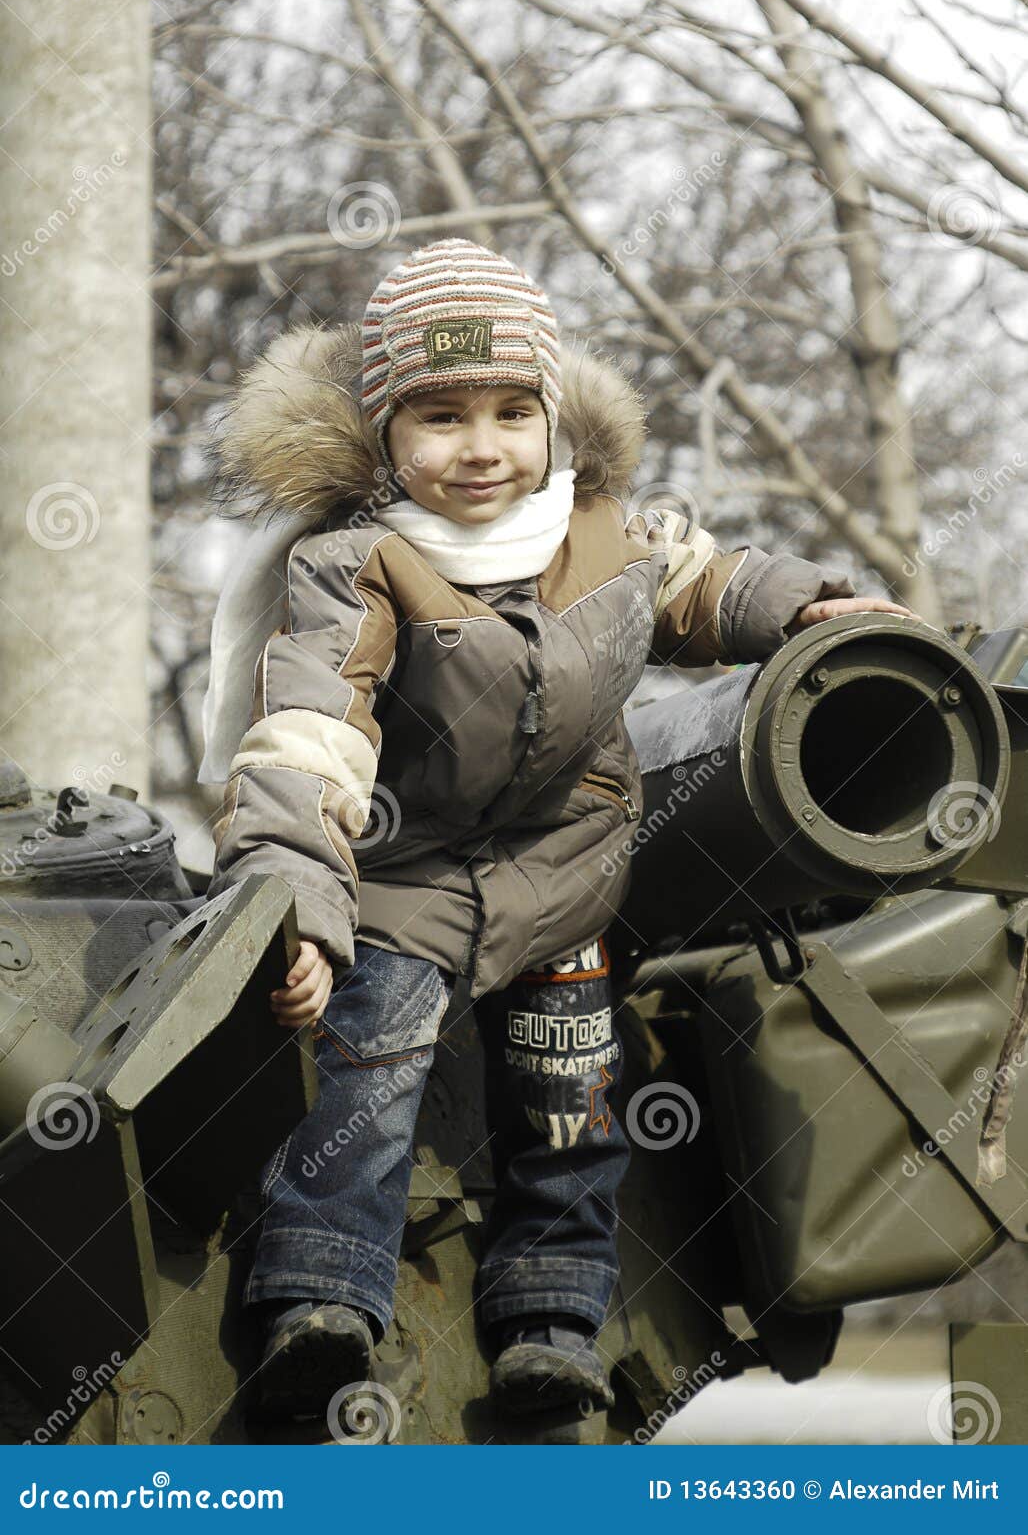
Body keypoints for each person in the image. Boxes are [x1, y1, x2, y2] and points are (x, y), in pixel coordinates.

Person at [200, 236, 915, 1425]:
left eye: (506, 411)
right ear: (382, 437)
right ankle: (318, 1305)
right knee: (363, 1087)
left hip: (564, 880)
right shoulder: (356, 566)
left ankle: (552, 1323)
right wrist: (300, 910)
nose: (479, 447)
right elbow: (310, 735)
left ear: (549, 415)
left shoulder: (598, 537)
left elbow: (704, 585)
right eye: (436, 416)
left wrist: (804, 604)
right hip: (405, 880)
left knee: (571, 1104)